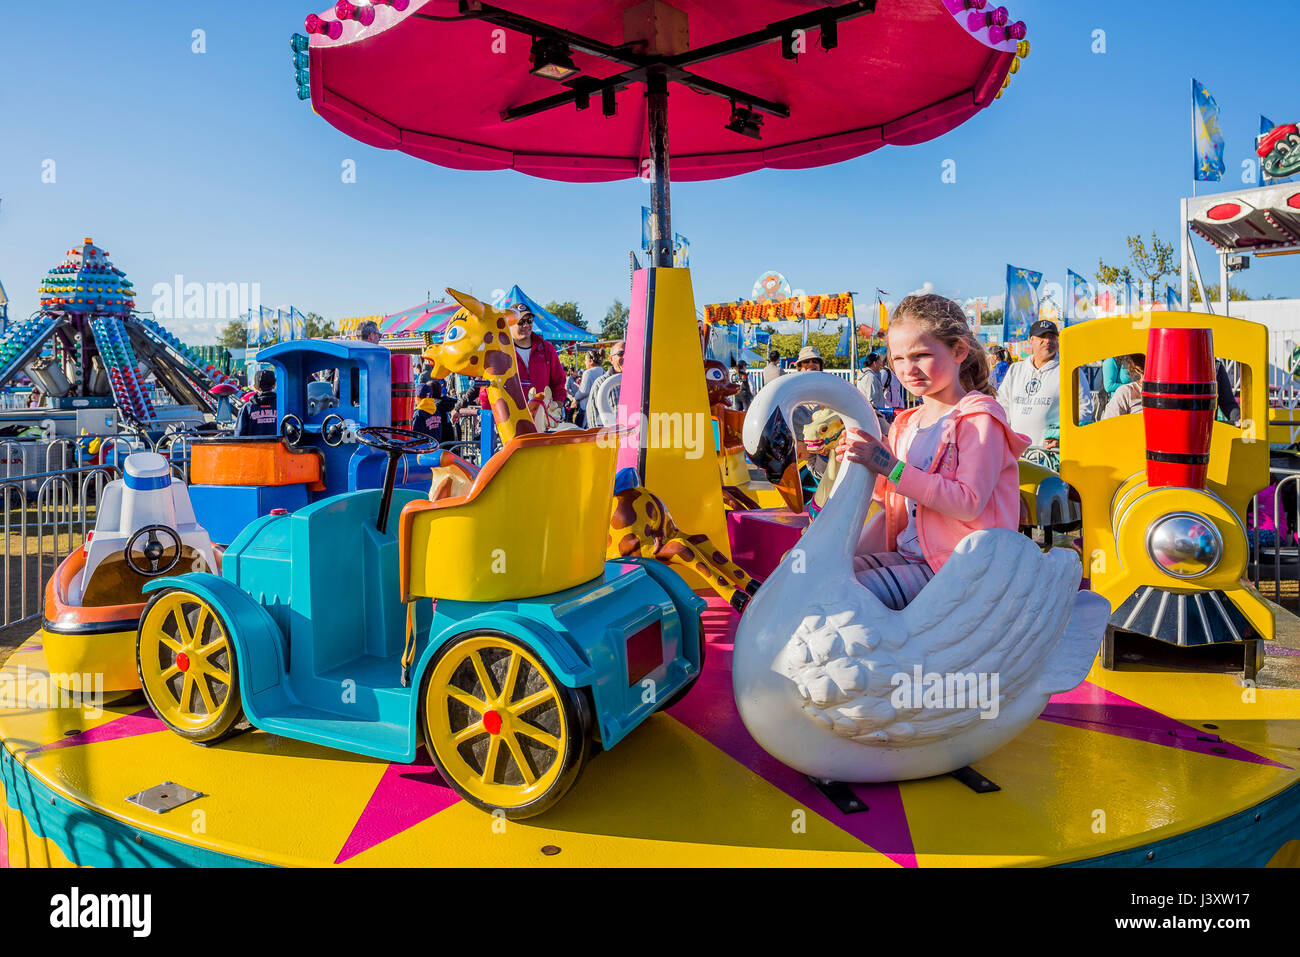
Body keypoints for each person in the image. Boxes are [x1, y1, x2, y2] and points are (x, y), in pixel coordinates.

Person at [836, 294, 1029, 610]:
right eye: (897, 359)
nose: (907, 369)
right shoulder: (905, 424)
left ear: (959, 351)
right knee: (821, 581)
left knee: (846, 598)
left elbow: (968, 502)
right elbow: (893, 494)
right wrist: (860, 458)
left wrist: (888, 465)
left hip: (960, 568)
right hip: (911, 555)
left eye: (921, 355)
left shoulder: (979, 418)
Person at [995, 319, 1093, 450]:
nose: (1047, 341)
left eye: (1052, 337)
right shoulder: (1015, 370)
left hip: (1050, 455)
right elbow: (1002, 406)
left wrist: (1062, 436)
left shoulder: (1070, 371)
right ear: (1030, 341)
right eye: (1042, 336)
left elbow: (1084, 409)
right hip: (1016, 453)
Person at [479, 303, 566, 415]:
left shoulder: (547, 349)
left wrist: (556, 408)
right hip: (511, 421)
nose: (526, 325)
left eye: (529, 321)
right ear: (508, 324)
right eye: (521, 322)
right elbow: (487, 389)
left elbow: (559, 382)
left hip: (541, 418)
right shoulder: (499, 351)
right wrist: (489, 418)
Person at [586, 340, 624, 427]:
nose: (626, 356)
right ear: (611, 359)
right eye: (621, 353)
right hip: (611, 438)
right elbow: (593, 418)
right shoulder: (600, 383)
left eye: (629, 353)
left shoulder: (640, 381)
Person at [234, 368, 278, 437]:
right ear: (274, 385)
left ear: (255, 387)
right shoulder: (281, 405)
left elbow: (239, 435)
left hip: (254, 447)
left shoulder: (247, 407)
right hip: (278, 447)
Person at [1101, 354, 1144, 419]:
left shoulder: (1127, 360)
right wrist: (1129, 388)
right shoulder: (1111, 361)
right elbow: (1108, 386)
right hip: (1119, 401)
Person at [570, 350, 604, 428]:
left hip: (587, 408)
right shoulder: (603, 371)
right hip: (599, 408)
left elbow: (583, 391)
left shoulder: (588, 373)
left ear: (591, 361)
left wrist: (575, 398)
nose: (585, 362)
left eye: (585, 360)